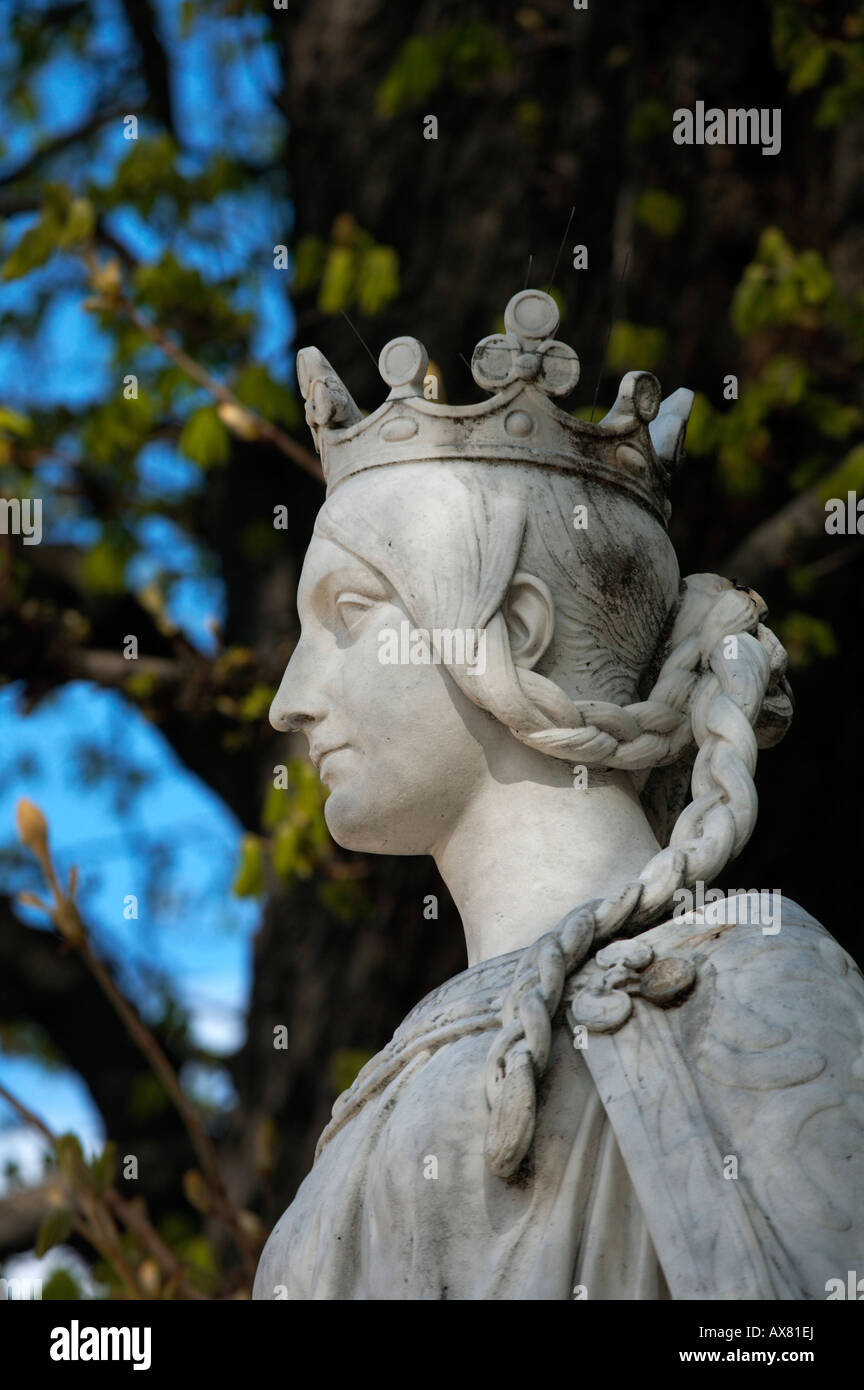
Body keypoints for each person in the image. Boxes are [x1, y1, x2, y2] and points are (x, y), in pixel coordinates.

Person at [253, 291, 864, 1300]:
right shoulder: (375, 1099)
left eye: (349, 616)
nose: (289, 701)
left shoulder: (752, 990)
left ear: (515, 632)